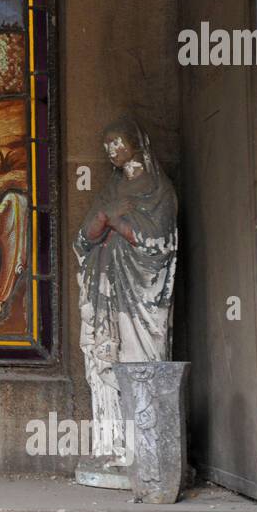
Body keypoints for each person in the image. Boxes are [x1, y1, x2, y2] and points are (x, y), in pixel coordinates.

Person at [73, 117, 178, 471]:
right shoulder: (110, 190)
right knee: (106, 362)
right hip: (106, 291)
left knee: (141, 362)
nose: (112, 151)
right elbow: (83, 240)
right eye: (107, 146)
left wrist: (116, 223)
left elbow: (158, 244)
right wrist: (102, 222)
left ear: (137, 142)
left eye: (118, 143)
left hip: (141, 301)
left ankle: (146, 450)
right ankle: (111, 443)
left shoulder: (160, 191)